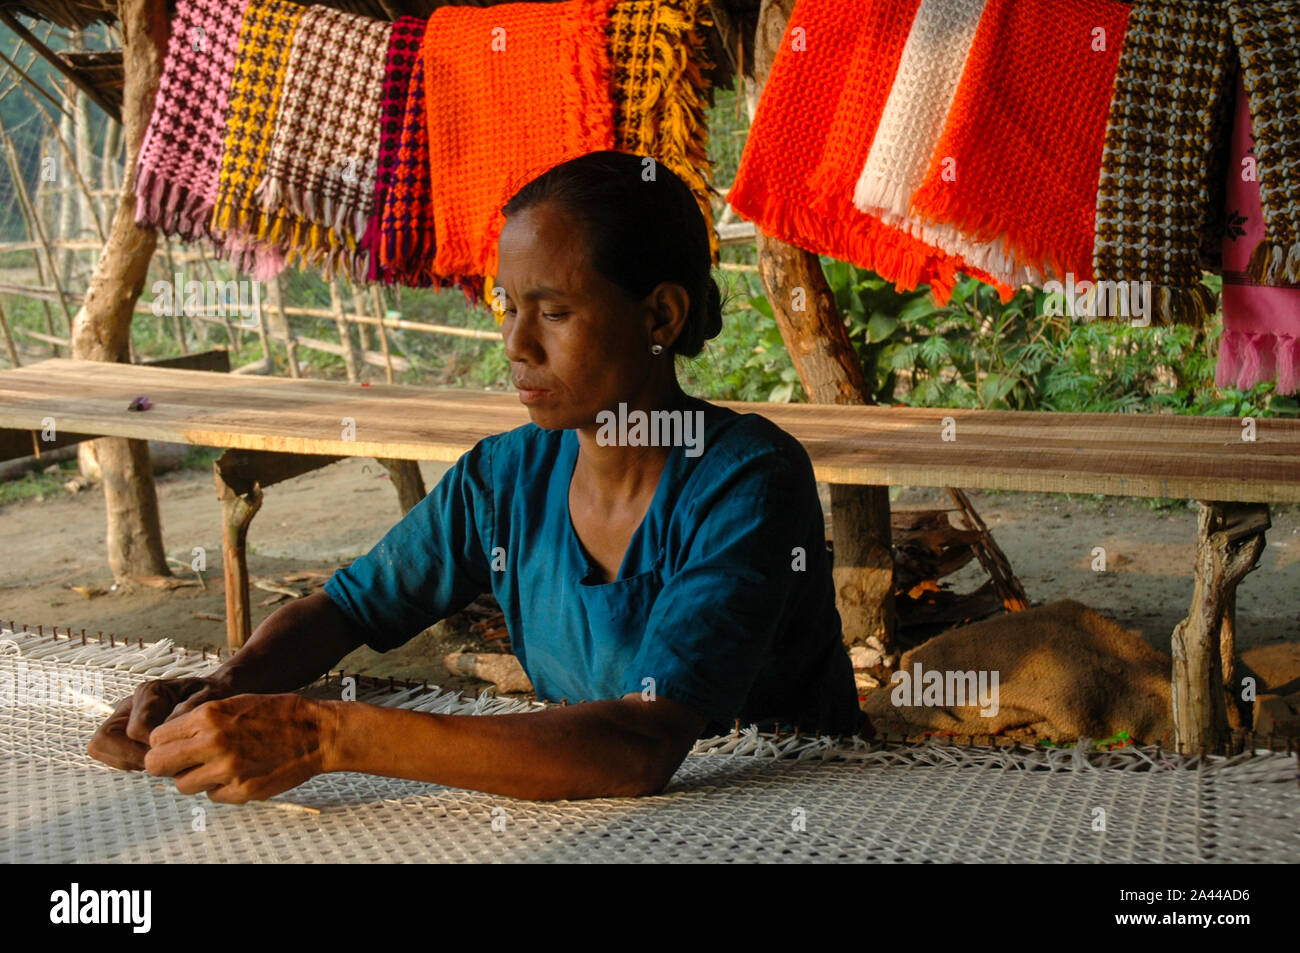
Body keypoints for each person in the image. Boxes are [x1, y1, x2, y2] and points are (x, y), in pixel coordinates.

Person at [87, 151, 866, 803]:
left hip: (806, 808)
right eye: (507, 308)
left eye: (553, 312)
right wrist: (218, 690)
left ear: (660, 318)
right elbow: (346, 606)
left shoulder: (748, 479)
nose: (516, 344)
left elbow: (640, 744)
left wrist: (323, 731)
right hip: (610, 819)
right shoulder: (505, 478)